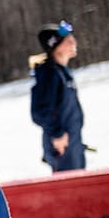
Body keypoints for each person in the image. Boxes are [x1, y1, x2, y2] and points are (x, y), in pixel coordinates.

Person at [30, 20, 85, 172]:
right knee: (70, 191)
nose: (74, 42)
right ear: (56, 47)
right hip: (61, 146)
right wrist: (58, 134)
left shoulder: (62, 72)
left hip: (73, 144)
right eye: (68, 41)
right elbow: (40, 112)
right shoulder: (50, 74)